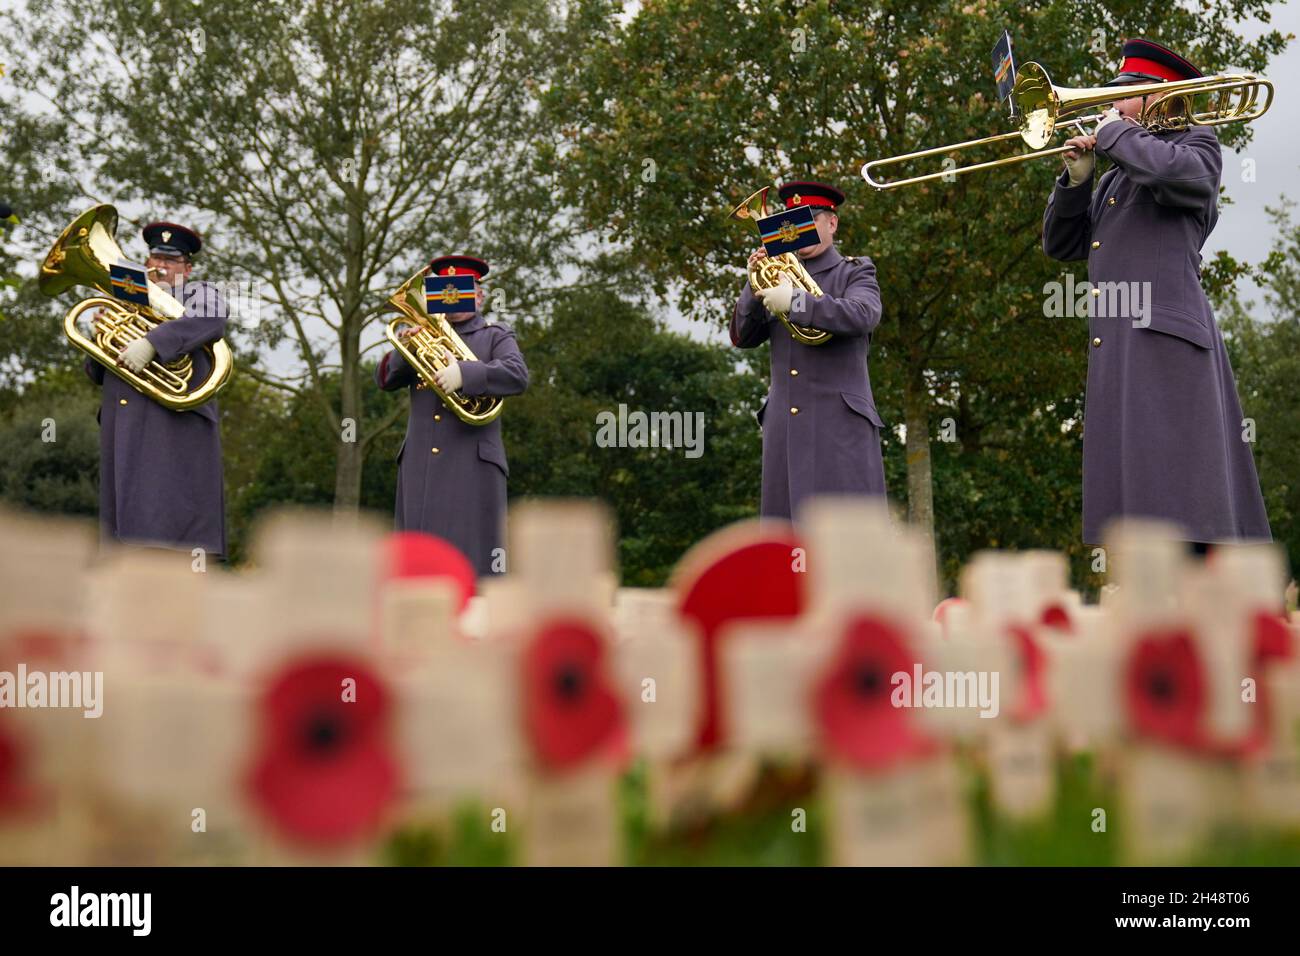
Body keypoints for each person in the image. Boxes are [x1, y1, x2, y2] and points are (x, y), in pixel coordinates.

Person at [1042, 38, 1270, 550]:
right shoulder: (1117, 177)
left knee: (1187, 500)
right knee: (1136, 509)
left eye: (1121, 96)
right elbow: (1061, 246)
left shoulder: (1199, 145)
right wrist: (1077, 181)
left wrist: (1116, 135)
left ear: (1159, 97)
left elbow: (1175, 174)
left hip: (1166, 340)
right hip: (1119, 344)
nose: (1108, 107)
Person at [730, 181, 886, 520]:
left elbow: (864, 315)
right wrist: (752, 284)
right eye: (792, 221)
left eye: (810, 219)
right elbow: (742, 337)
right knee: (784, 533)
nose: (799, 229)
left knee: (847, 535)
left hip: (839, 426)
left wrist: (796, 301)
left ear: (832, 223)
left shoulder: (854, 270)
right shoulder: (776, 271)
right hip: (785, 427)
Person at [375, 255, 529, 577]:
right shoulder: (422, 335)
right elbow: (385, 379)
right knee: (417, 564)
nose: (451, 296)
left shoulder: (494, 335)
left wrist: (465, 374)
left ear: (480, 295)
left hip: (471, 466)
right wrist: (409, 347)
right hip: (420, 465)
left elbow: (517, 375)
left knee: (475, 564)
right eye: (443, 290)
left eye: (461, 288)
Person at [85, 220, 227, 556]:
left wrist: (151, 343)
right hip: (124, 429)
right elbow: (96, 372)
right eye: (154, 258)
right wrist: (101, 336)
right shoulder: (128, 300)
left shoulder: (200, 294)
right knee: (122, 533)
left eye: (171, 260)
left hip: (170, 429)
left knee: (169, 525)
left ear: (187, 269)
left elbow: (213, 317)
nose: (160, 266)